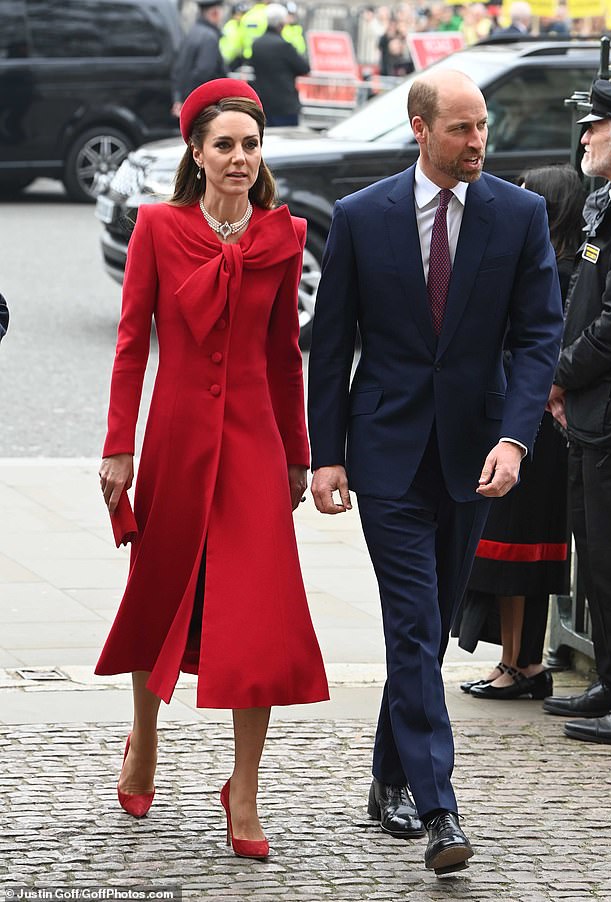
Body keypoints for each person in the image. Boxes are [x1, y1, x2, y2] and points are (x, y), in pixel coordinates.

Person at [308, 69, 562, 877]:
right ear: (420, 130)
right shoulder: (361, 216)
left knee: (428, 629)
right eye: (461, 128)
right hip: (386, 455)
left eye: (482, 125)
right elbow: (331, 344)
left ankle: (388, 774)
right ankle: (438, 807)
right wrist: (325, 452)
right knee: (416, 624)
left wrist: (516, 439)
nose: (477, 141)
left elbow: (539, 336)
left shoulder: (517, 215)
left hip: (476, 457)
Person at [96, 78, 329, 855]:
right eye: (224, 144)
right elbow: (131, 344)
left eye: (250, 145)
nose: (239, 157)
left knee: (258, 618)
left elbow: (284, 356)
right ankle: (145, 738)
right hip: (175, 442)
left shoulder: (284, 237)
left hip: (255, 447)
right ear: (195, 152)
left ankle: (245, 789)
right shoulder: (157, 228)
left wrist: (299, 453)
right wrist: (118, 448)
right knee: (158, 595)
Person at [456, 164, 586, 700]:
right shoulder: (545, 260)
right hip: (520, 415)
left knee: (520, 550)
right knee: (506, 550)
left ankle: (523, 664)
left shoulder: (563, 269)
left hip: (535, 423)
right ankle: (514, 660)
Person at [544, 80, 611, 746]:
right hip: (596, 415)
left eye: (594, 127)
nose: (584, 138)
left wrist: (560, 373)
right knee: (598, 559)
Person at [251, 4, 309, 127]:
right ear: (281, 24)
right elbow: (304, 68)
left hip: (263, 103)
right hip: (285, 105)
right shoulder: (284, 46)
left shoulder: (256, 44)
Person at [171, 0, 228, 118]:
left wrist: (179, 98)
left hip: (189, 98)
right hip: (203, 103)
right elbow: (204, 71)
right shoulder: (209, 37)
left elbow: (179, 69)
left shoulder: (192, 32)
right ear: (215, 13)